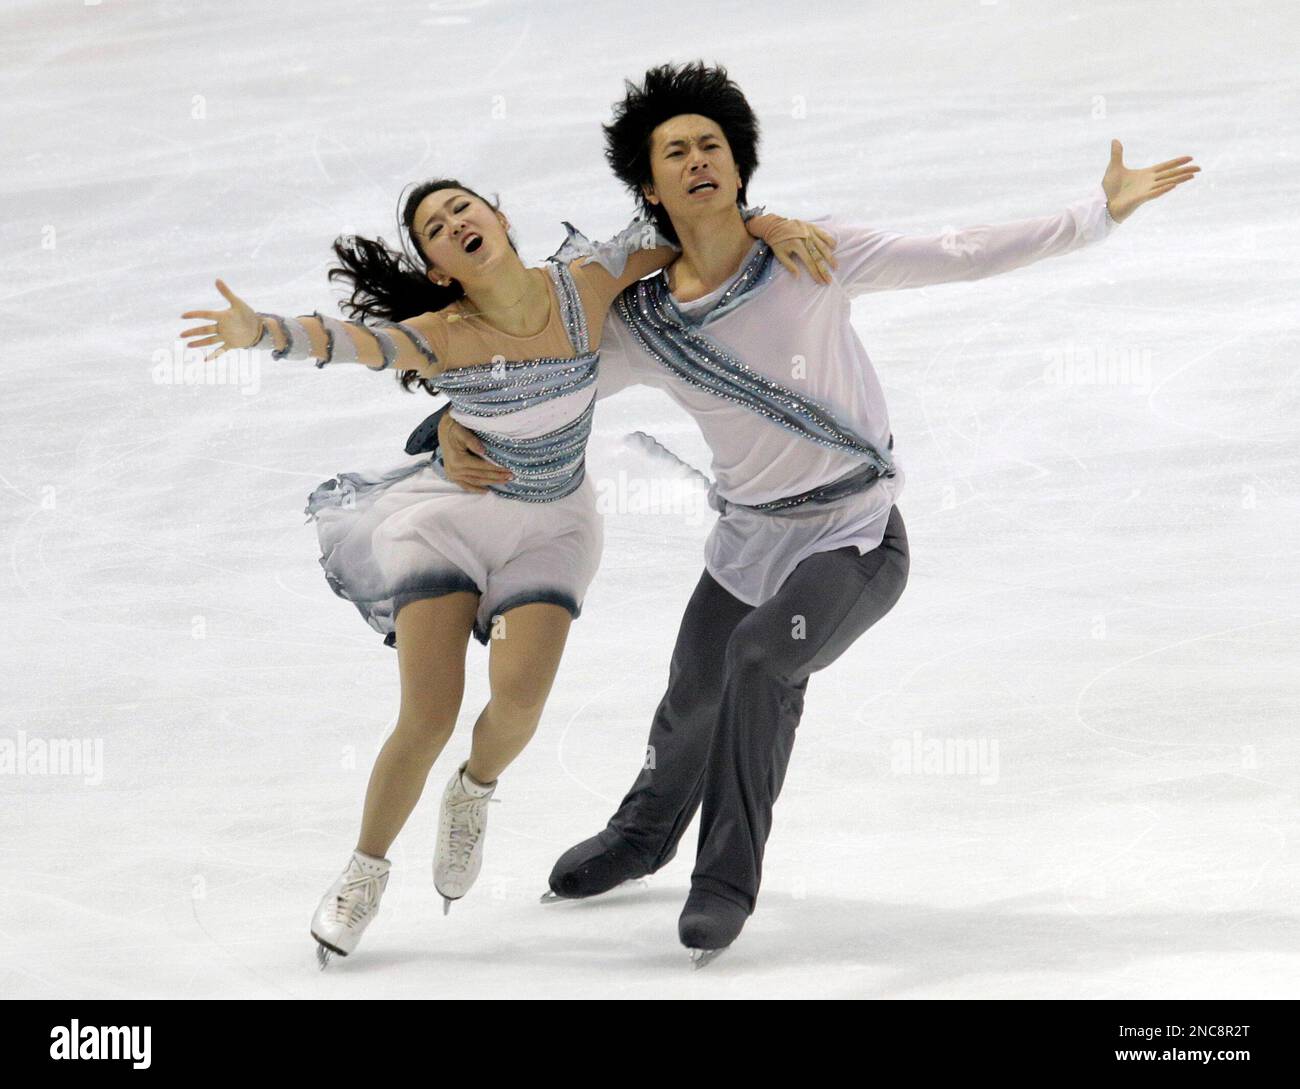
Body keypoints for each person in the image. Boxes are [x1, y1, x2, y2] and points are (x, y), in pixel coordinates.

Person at [435, 62, 1199, 964]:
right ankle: (644, 833)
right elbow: (546, 381)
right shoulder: (644, 321)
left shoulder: (810, 254)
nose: (696, 160)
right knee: (692, 693)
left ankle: (722, 883)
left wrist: (1096, 214)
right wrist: (448, 422)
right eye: (674, 151)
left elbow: (958, 252)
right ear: (649, 186)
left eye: (711, 144)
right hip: (750, 538)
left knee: (760, 660)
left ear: (739, 164)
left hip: (856, 536)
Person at [179, 178, 834, 966]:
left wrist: (769, 219)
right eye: (435, 229)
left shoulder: (588, 281)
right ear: (440, 267)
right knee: (427, 713)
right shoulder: (441, 334)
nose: (454, 224)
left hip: (552, 528)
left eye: (462, 209)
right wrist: (264, 332)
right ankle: (364, 872)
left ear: (499, 216)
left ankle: (473, 790)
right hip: (450, 520)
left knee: (517, 709)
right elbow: (353, 343)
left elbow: (695, 226)